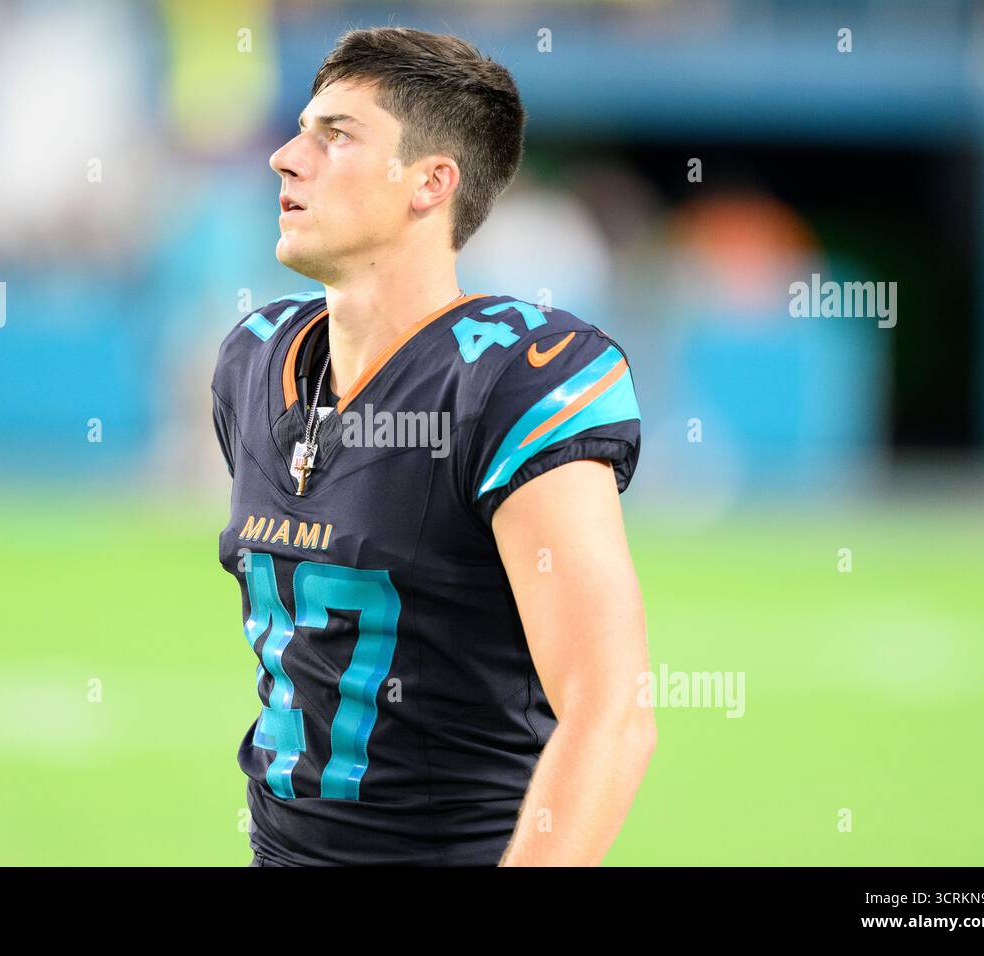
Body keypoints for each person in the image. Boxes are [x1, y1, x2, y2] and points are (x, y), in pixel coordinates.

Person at [212, 26, 654, 866]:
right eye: (302, 127)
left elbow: (612, 711)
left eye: (335, 134)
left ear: (430, 184)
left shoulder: (511, 379)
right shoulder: (254, 359)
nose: (285, 157)